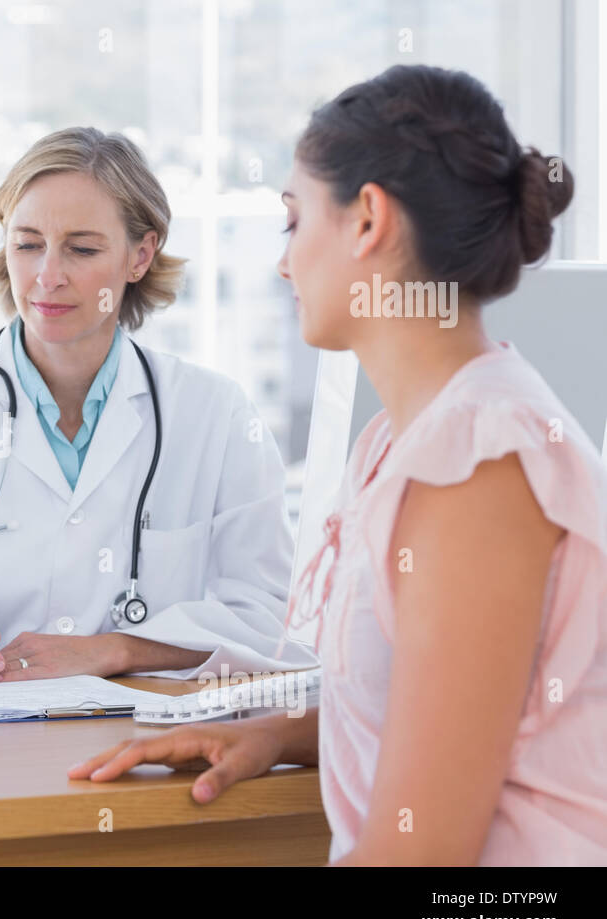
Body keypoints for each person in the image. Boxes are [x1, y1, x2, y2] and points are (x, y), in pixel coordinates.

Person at [70, 65, 607, 865]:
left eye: (293, 223)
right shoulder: (401, 443)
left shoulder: (478, 466)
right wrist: (278, 735)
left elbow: (426, 860)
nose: (284, 265)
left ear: (367, 221)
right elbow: (443, 707)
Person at [0, 127, 316, 691]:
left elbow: (269, 614)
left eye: (82, 249)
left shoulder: (215, 416)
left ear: (140, 255)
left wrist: (112, 651)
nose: (47, 276)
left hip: (143, 752)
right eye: (27, 243)